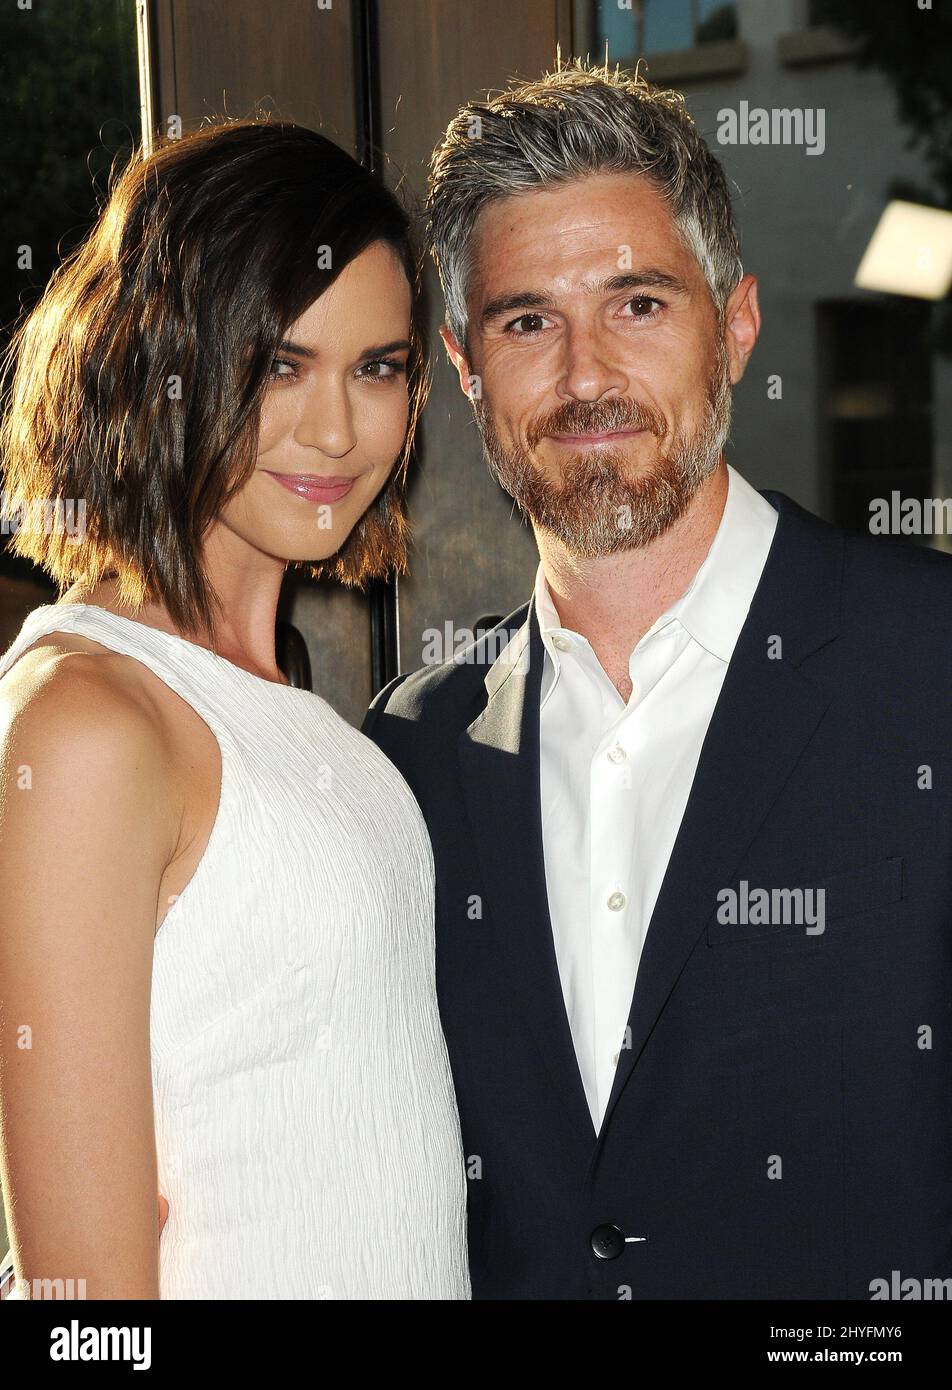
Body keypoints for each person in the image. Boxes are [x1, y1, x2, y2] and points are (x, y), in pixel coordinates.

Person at [361, 59, 952, 1299]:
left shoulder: (929, 661)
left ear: (732, 326)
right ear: (467, 371)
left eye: (636, 305)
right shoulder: (413, 750)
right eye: (528, 322)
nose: (584, 377)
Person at [0, 119, 469, 1300]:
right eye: (279, 365)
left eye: (378, 366)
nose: (337, 428)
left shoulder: (288, 714)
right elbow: (83, 1298)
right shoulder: (86, 719)